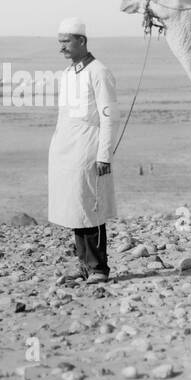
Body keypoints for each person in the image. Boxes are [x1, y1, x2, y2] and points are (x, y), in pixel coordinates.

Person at [47, 17, 117, 283]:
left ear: (81, 41)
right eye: (60, 42)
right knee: (75, 206)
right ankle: (84, 265)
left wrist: (104, 155)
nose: (62, 47)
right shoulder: (67, 74)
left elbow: (109, 116)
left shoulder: (99, 72)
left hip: (89, 145)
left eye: (66, 42)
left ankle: (99, 268)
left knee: (91, 206)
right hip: (67, 147)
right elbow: (64, 115)